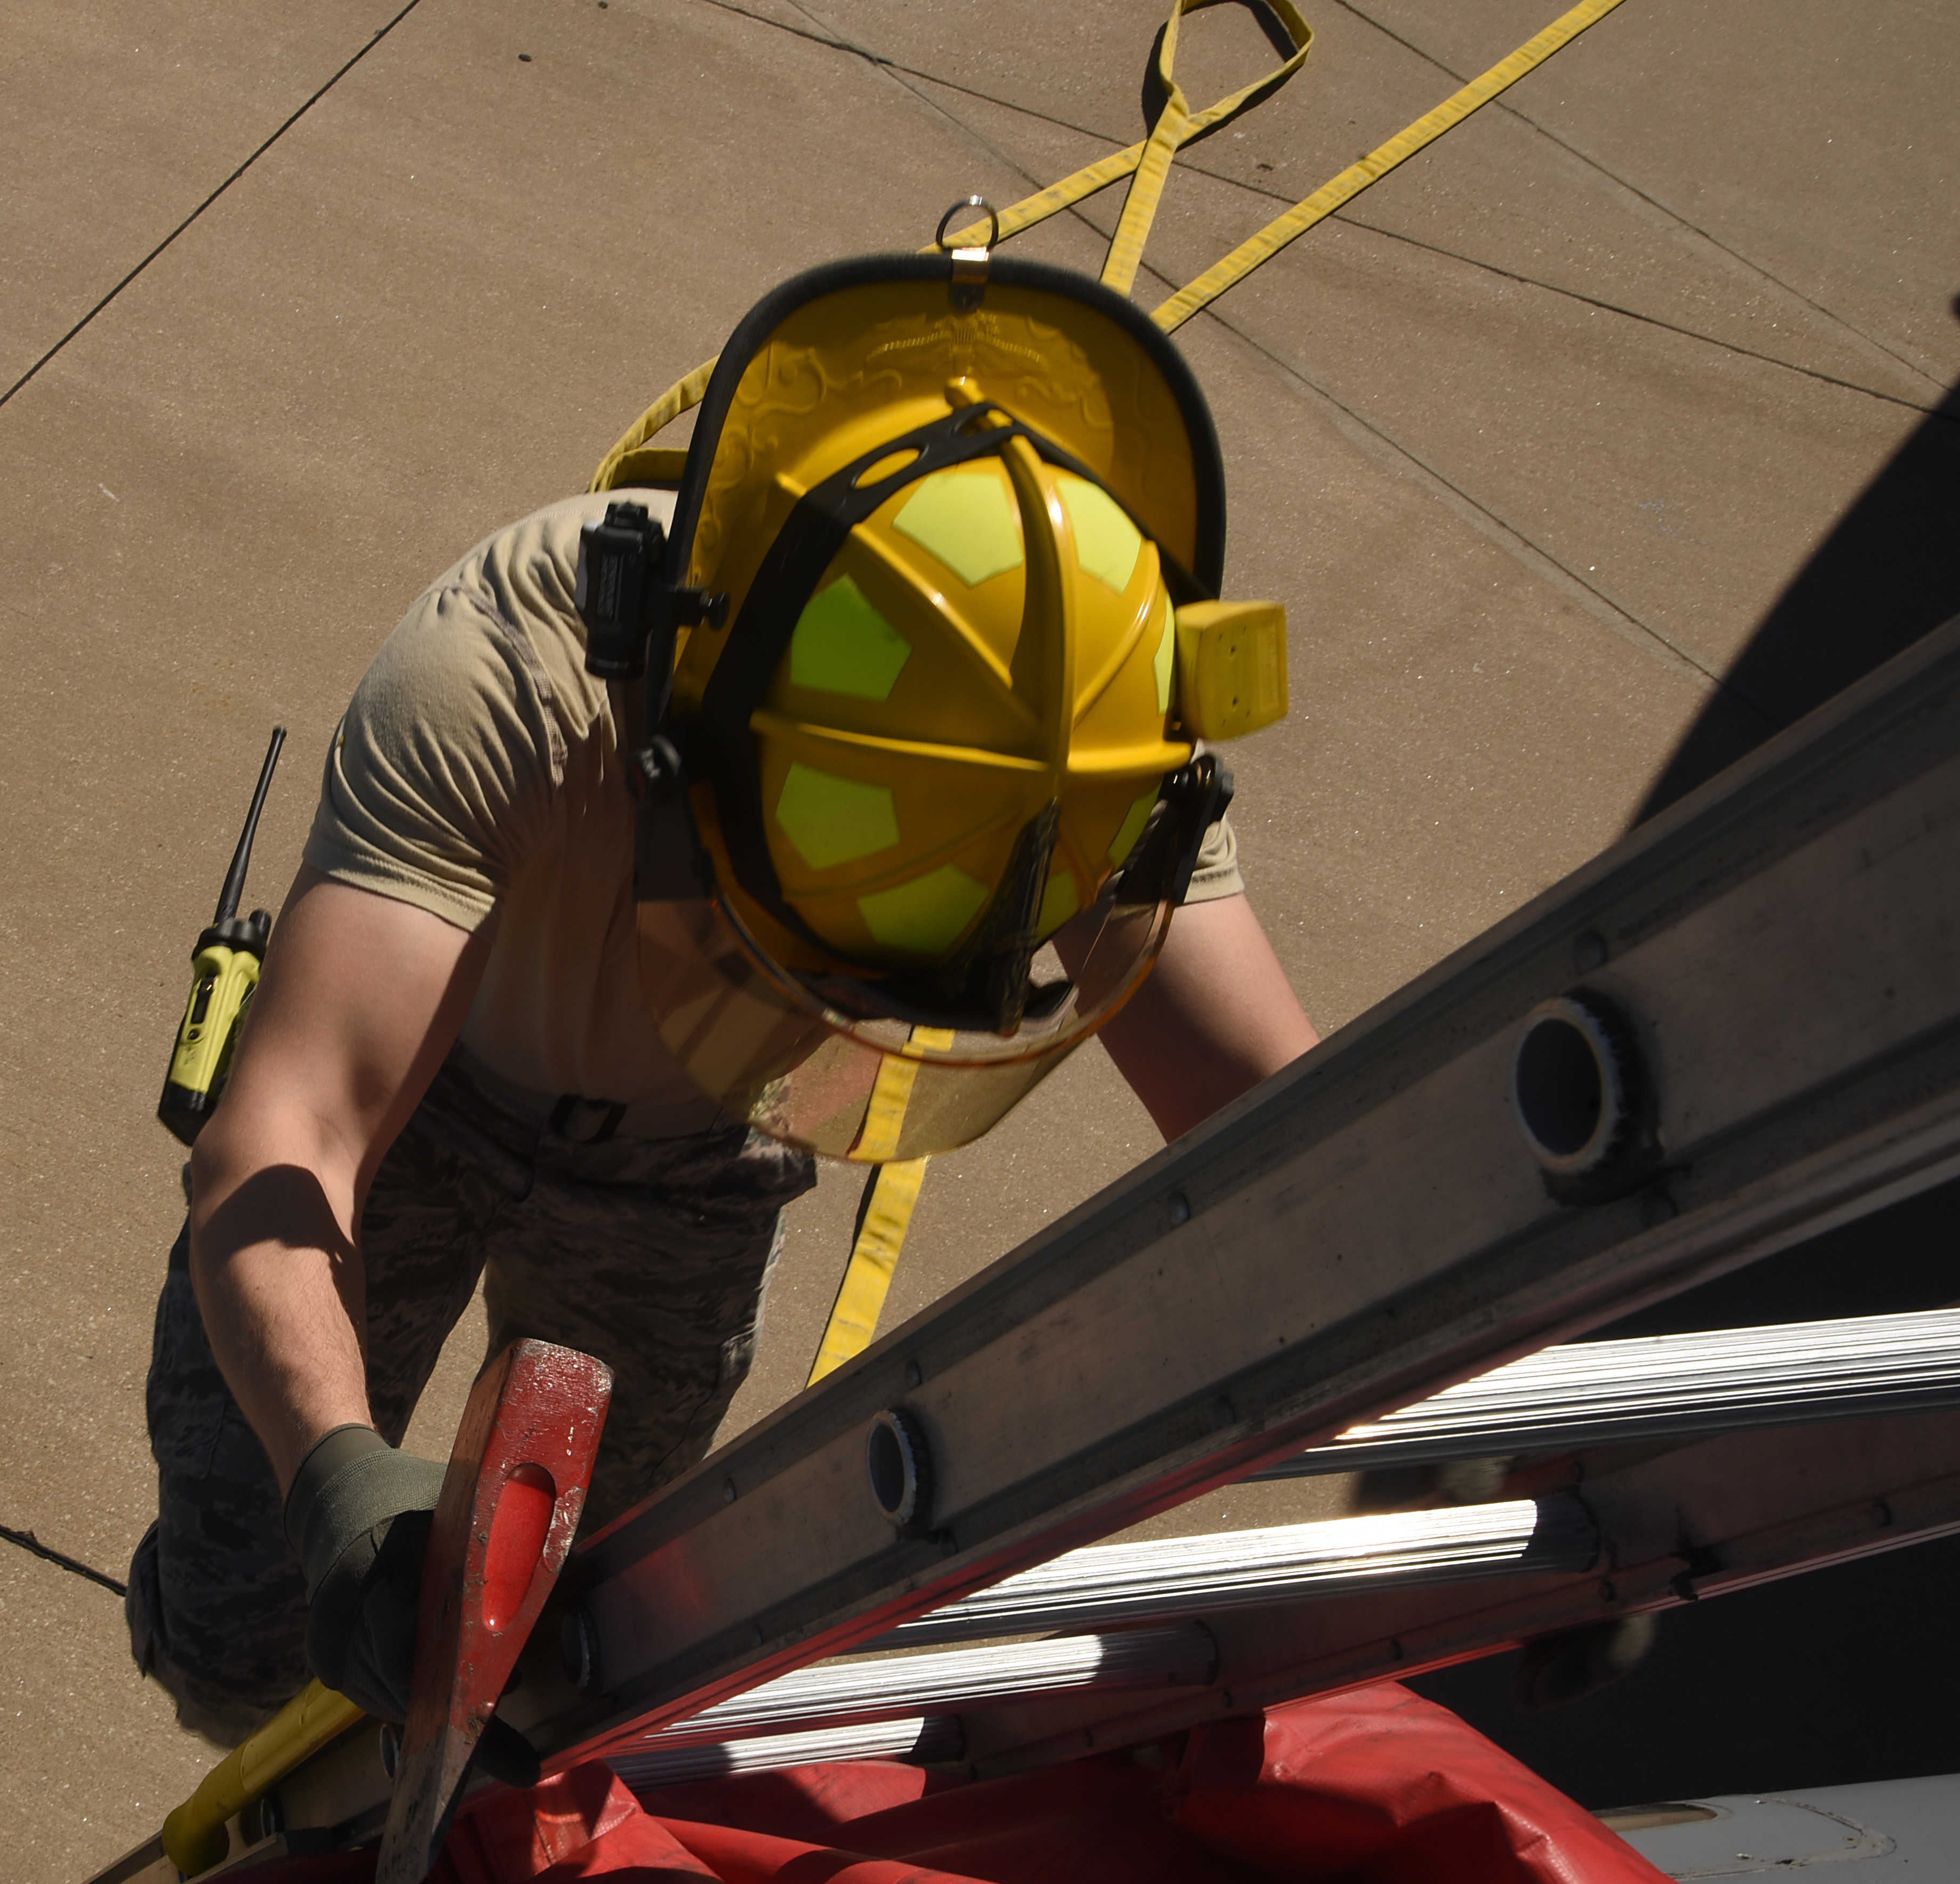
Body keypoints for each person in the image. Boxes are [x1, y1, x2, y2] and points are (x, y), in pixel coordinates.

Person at [128, 252, 1321, 1746]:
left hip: (692, 1165)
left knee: (581, 1646)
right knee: (248, 1627)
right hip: (432, 1102)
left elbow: (1304, 1138)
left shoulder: (1079, 738)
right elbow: (287, 1137)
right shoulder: (511, 666)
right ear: (703, 752)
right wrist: (337, 1475)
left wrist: (1506, 1394)